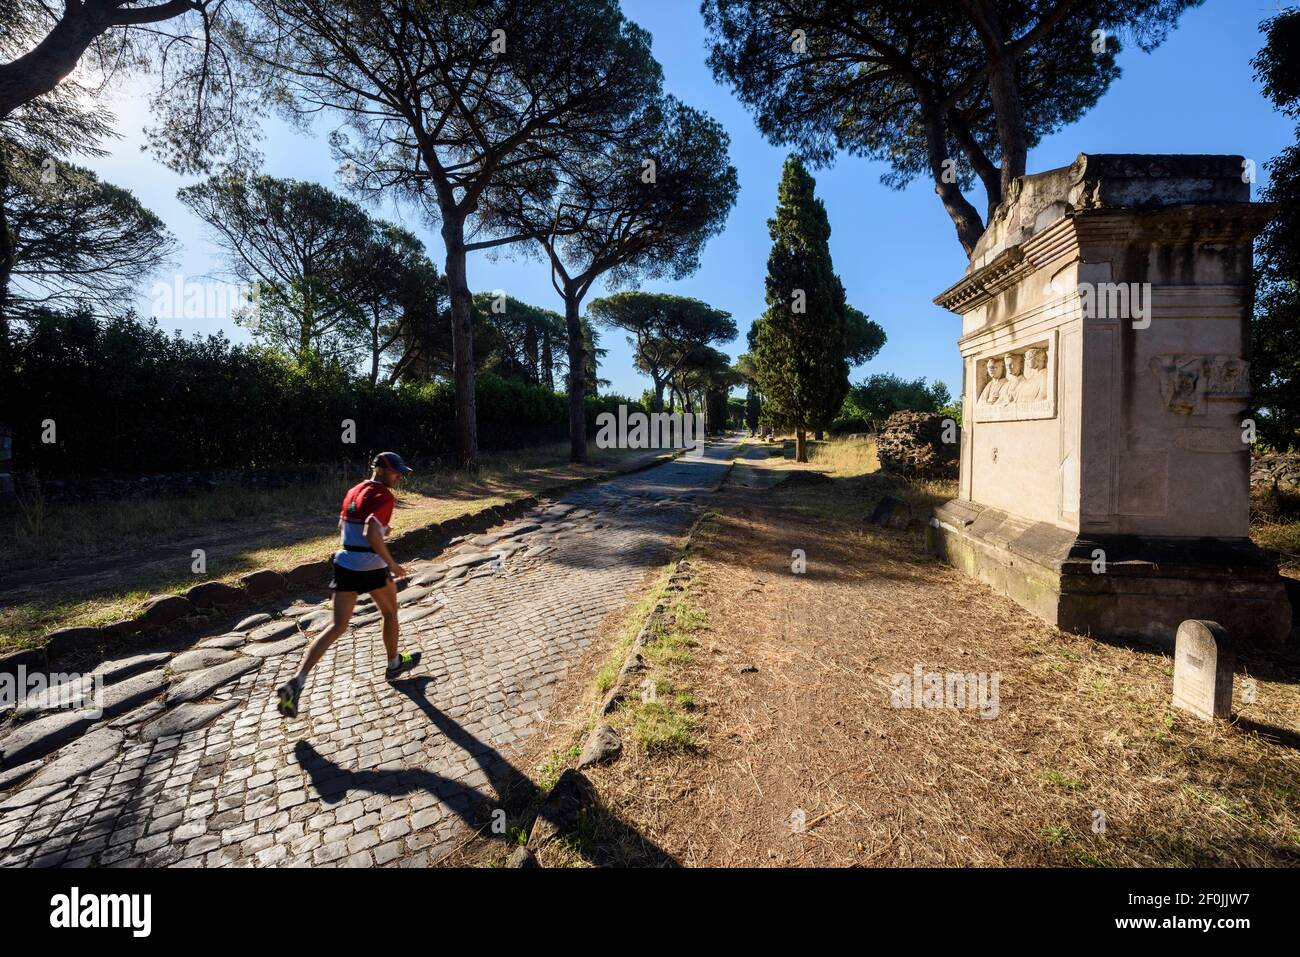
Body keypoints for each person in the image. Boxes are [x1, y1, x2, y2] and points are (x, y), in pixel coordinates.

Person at [276, 451, 421, 718]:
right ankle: (394, 664)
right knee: (390, 613)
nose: (400, 476)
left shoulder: (354, 490)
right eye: (396, 471)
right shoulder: (385, 496)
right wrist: (392, 564)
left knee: (337, 625)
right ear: (380, 470)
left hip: (344, 562)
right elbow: (369, 532)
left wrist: (381, 532)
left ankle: (296, 682)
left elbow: (345, 524)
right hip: (371, 566)